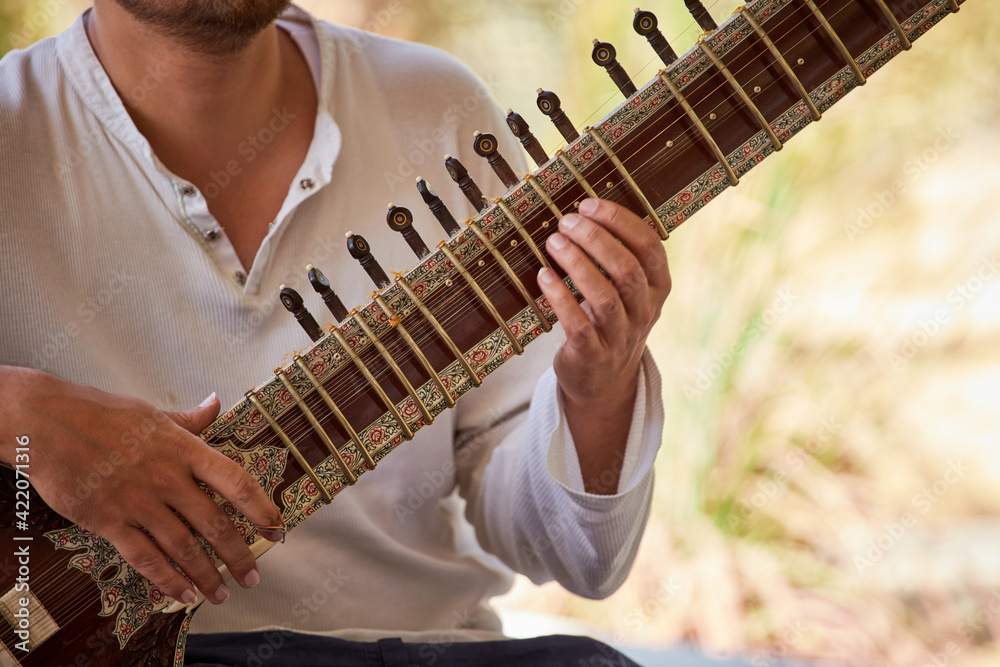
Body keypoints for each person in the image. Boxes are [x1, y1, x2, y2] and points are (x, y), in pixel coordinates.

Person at [0, 1, 671, 664]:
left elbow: (578, 555)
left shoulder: (435, 105)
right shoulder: (12, 131)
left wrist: (597, 393)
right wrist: (18, 412)